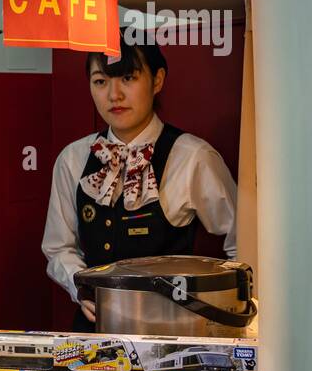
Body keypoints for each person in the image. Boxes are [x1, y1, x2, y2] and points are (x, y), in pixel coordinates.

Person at [42, 38, 237, 329]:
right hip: (95, 331)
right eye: (100, 81)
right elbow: (58, 248)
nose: (114, 94)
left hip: (172, 329)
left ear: (157, 80)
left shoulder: (194, 157)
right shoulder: (73, 159)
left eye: (128, 78)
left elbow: (244, 243)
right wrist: (80, 286)